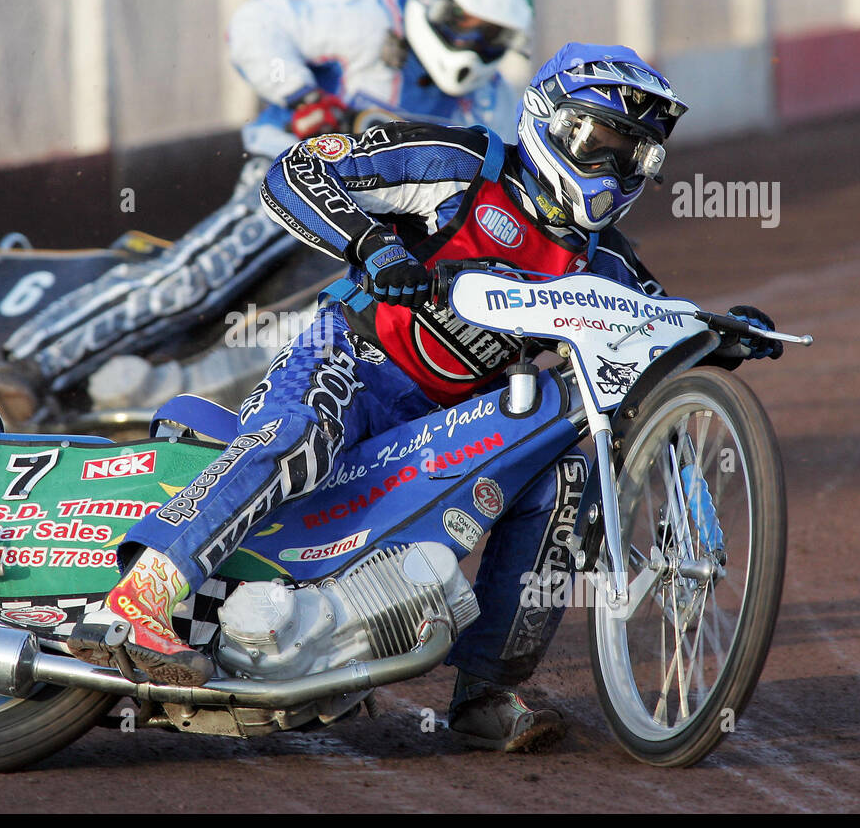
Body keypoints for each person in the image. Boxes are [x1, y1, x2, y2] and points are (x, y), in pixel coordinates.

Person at [67, 41, 784, 752]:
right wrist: (374, 248)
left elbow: (658, 331)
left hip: (443, 421)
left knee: (564, 471)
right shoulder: (460, 161)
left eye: (634, 155)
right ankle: (141, 597)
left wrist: (723, 335)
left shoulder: (607, 262)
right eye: (601, 141)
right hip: (346, 354)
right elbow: (298, 170)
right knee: (301, 433)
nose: (613, 166)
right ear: (552, 121)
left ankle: (486, 692)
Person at [0, 0, 535, 422]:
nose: (468, 44)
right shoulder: (365, 18)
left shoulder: (491, 102)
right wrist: (300, 96)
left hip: (379, 236)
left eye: (489, 36)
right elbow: (257, 23)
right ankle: (33, 363)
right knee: (193, 281)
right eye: (459, 22)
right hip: (295, 183)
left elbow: (505, 187)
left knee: (307, 340)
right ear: (425, 2)